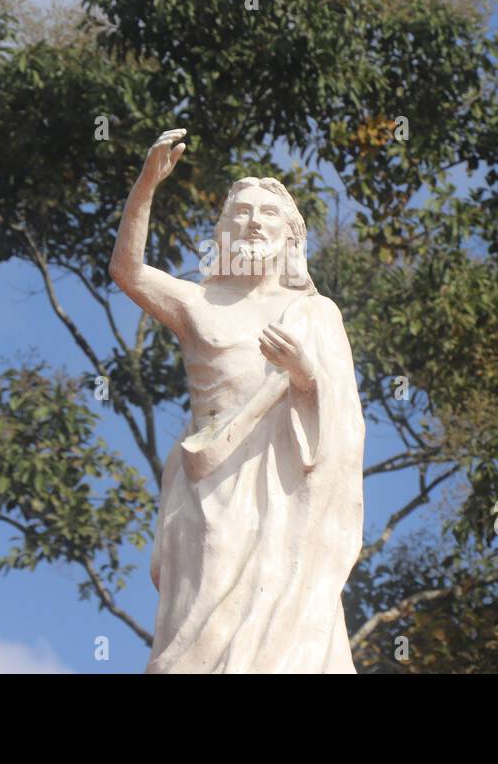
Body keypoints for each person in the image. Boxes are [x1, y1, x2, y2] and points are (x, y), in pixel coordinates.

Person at [109, 128, 366, 673]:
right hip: (208, 492)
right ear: (223, 231)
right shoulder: (199, 301)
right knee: (198, 640)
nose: (252, 221)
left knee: (283, 637)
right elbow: (127, 272)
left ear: (291, 237)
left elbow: (344, 426)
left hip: (285, 492)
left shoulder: (316, 315)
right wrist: (146, 184)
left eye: (267, 214)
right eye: (240, 212)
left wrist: (304, 374)